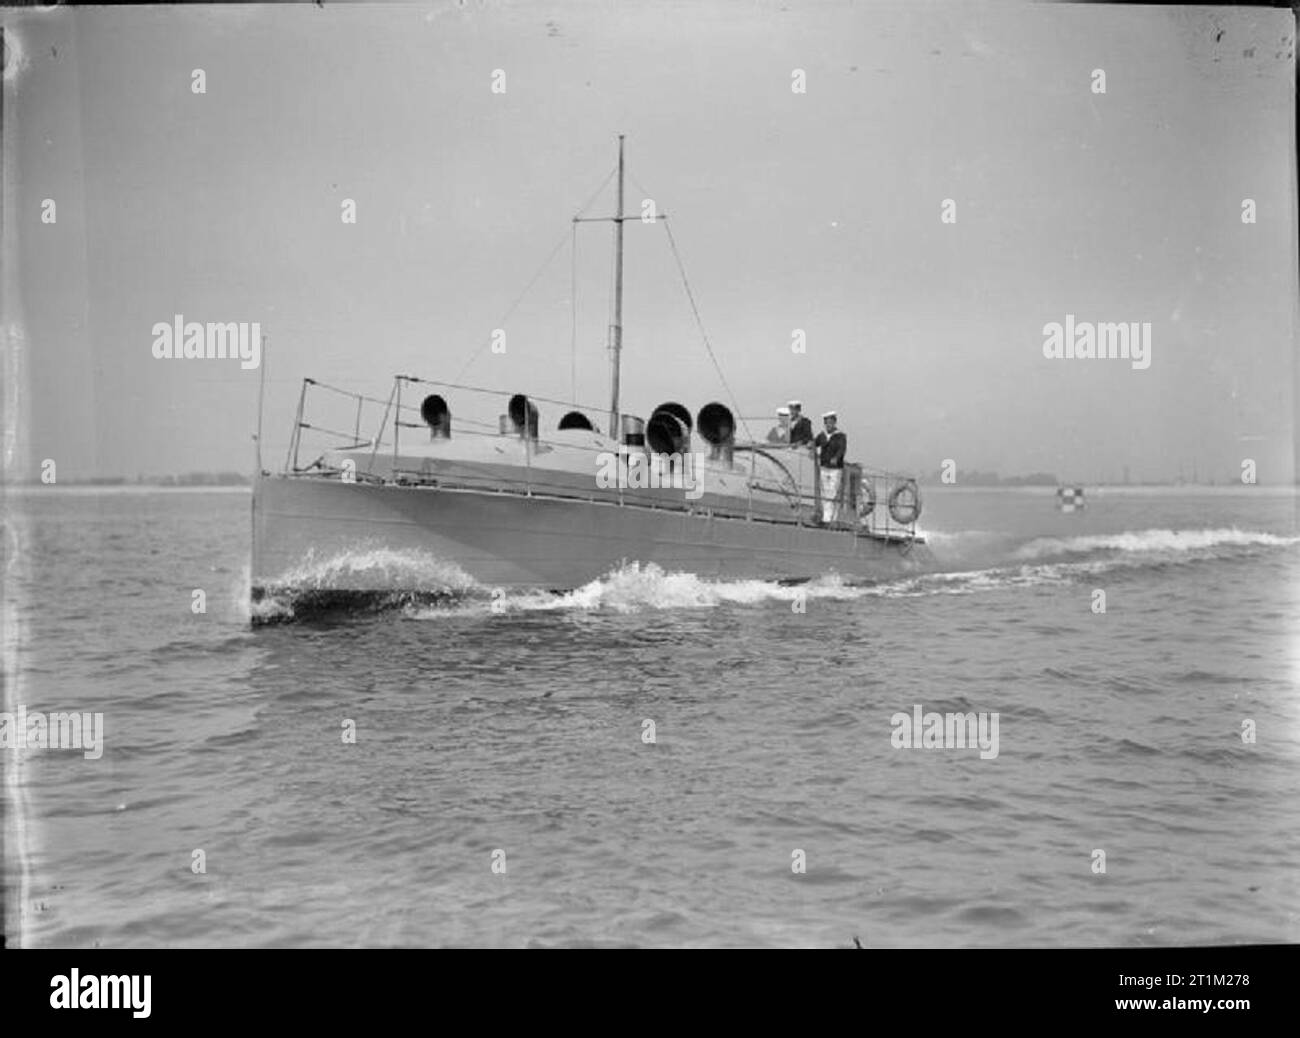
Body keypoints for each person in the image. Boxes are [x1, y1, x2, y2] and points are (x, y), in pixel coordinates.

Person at [813, 410, 847, 523]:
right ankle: (826, 516)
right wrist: (810, 448)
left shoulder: (840, 436)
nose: (828, 425)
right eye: (827, 423)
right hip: (824, 467)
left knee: (832, 492)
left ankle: (831, 517)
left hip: (835, 469)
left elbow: (842, 449)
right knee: (825, 492)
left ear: (834, 422)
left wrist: (836, 458)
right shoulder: (822, 435)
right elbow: (814, 443)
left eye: (830, 422)